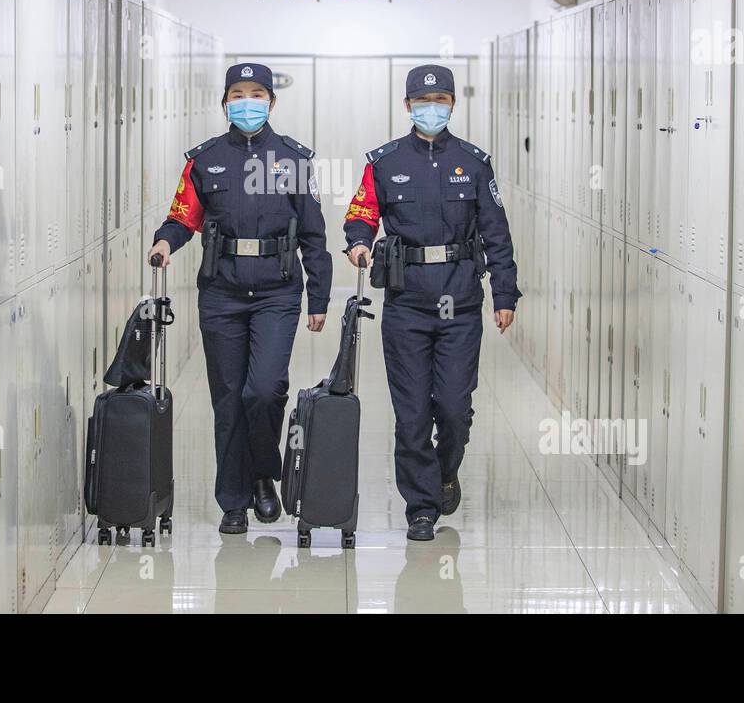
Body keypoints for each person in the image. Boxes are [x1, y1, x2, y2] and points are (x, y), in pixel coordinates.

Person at [149, 63, 331, 534]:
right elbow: (182, 215)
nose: (246, 102)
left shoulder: (294, 160)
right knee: (228, 397)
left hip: (277, 292)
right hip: (222, 294)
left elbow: (313, 234)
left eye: (256, 94)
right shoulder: (204, 159)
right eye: (237, 93)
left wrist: (320, 297)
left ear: (271, 102)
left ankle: (264, 475)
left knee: (265, 390)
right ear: (225, 101)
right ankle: (233, 500)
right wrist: (165, 241)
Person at [343, 65, 520, 541]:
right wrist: (358, 242)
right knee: (413, 412)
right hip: (407, 303)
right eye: (424, 100)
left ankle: (445, 469)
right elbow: (361, 213)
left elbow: (496, 233)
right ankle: (421, 506)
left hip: (460, 303)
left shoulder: (474, 162)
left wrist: (504, 292)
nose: (433, 108)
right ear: (407, 106)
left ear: (452, 106)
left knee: (456, 409)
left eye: (442, 99)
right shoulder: (384, 162)